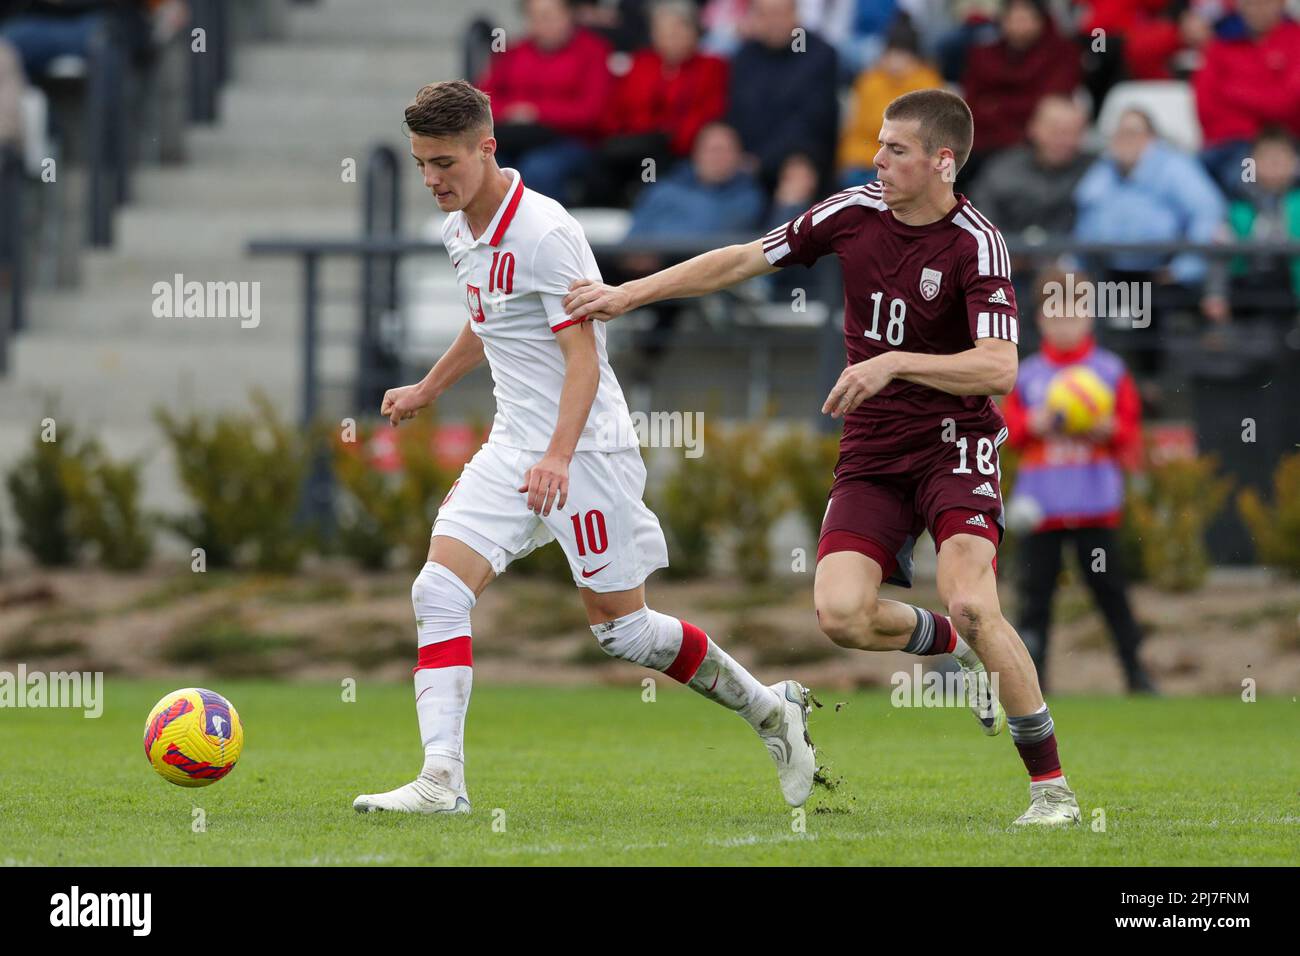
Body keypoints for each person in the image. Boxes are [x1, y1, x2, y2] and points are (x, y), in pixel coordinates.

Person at [565, 88, 1082, 827]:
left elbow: (1000, 367)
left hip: (953, 447)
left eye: (896, 149)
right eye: (878, 144)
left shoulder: (976, 241)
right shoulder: (853, 212)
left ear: (942, 162)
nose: (878, 159)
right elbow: (744, 258)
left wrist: (894, 362)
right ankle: (957, 650)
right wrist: (629, 292)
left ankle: (1051, 789)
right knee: (841, 615)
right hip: (873, 449)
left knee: (973, 600)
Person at [353, 80, 814, 816]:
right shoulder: (457, 232)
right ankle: (442, 780)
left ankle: (772, 713)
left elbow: (583, 359)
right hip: (514, 448)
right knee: (437, 590)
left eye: (445, 162)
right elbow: (488, 320)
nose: (434, 179)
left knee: (624, 631)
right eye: (421, 165)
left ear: (487, 148)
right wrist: (429, 387)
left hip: (585, 452)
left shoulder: (545, 230)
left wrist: (559, 457)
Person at [1002, 266, 1155, 694]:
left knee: (1111, 593)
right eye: (1057, 314)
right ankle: (1034, 688)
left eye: (1075, 312)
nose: (1066, 323)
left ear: (1089, 315)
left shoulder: (1109, 371)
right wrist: (1033, 423)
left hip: (1094, 505)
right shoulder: (1027, 374)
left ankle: (1136, 676)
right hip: (1041, 508)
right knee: (1035, 600)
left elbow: (1131, 434)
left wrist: (1109, 430)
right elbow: (1006, 434)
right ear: (1040, 319)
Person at [593, 0, 728, 207]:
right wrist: (625, 132)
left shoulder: (711, 67)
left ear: (693, 32)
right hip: (632, 145)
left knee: (651, 169)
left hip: (676, 151)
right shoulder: (642, 62)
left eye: (677, 29)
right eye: (662, 30)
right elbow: (615, 108)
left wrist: (669, 136)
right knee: (601, 167)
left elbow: (708, 113)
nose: (669, 37)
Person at [477, 0, 613, 204]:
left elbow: (591, 111)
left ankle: (546, 231)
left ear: (568, 16)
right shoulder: (514, 52)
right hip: (516, 138)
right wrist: (511, 112)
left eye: (548, 16)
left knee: (538, 169)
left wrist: (538, 112)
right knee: (483, 163)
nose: (542, 24)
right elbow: (481, 100)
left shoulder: (593, 51)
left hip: (572, 141)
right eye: (535, 18)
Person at [959, 0, 1080, 185]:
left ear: (1041, 21)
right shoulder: (984, 55)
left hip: (1031, 138)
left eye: (1025, 18)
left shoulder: (1061, 54)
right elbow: (971, 103)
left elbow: (1050, 102)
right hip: (984, 137)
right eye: (1012, 18)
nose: (1019, 25)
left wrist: (996, 106)